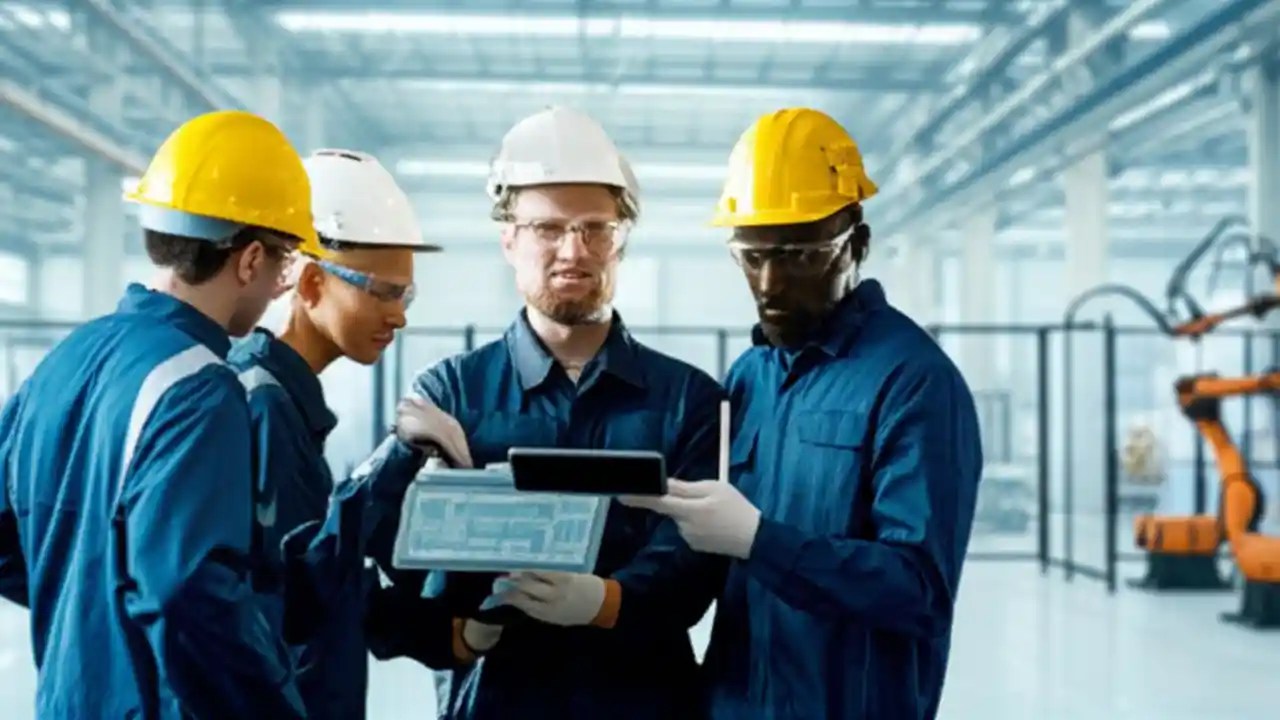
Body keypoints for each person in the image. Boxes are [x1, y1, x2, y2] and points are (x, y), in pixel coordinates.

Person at [622, 107, 985, 719]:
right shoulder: (750, 376)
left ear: (857, 244)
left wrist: (762, 542)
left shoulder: (914, 383)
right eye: (750, 256)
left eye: (797, 255)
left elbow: (918, 591)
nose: (769, 284)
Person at [391, 105, 726, 719]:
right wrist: (461, 624)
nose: (574, 251)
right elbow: (407, 573)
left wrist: (607, 601)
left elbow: (696, 560)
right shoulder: (450, 395)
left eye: (596, 228)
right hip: (496, 701)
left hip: (645, 702)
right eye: (548, 228)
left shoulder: (689, 399)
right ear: (508, 239)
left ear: (620, 241)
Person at [0, 110, 313, 718]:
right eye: (283, 266)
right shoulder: (199, 385)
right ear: (250, 260)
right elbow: (187, 593)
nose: (279, 287)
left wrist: (88, 614)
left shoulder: (67, 357)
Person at [226, 148, 456, 719]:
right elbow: (301, 597)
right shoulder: (265, 407)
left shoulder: (281, 400)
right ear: (309, 284)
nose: (399, 316)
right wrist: (391, 465)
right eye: (382, 291)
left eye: (406, 295)